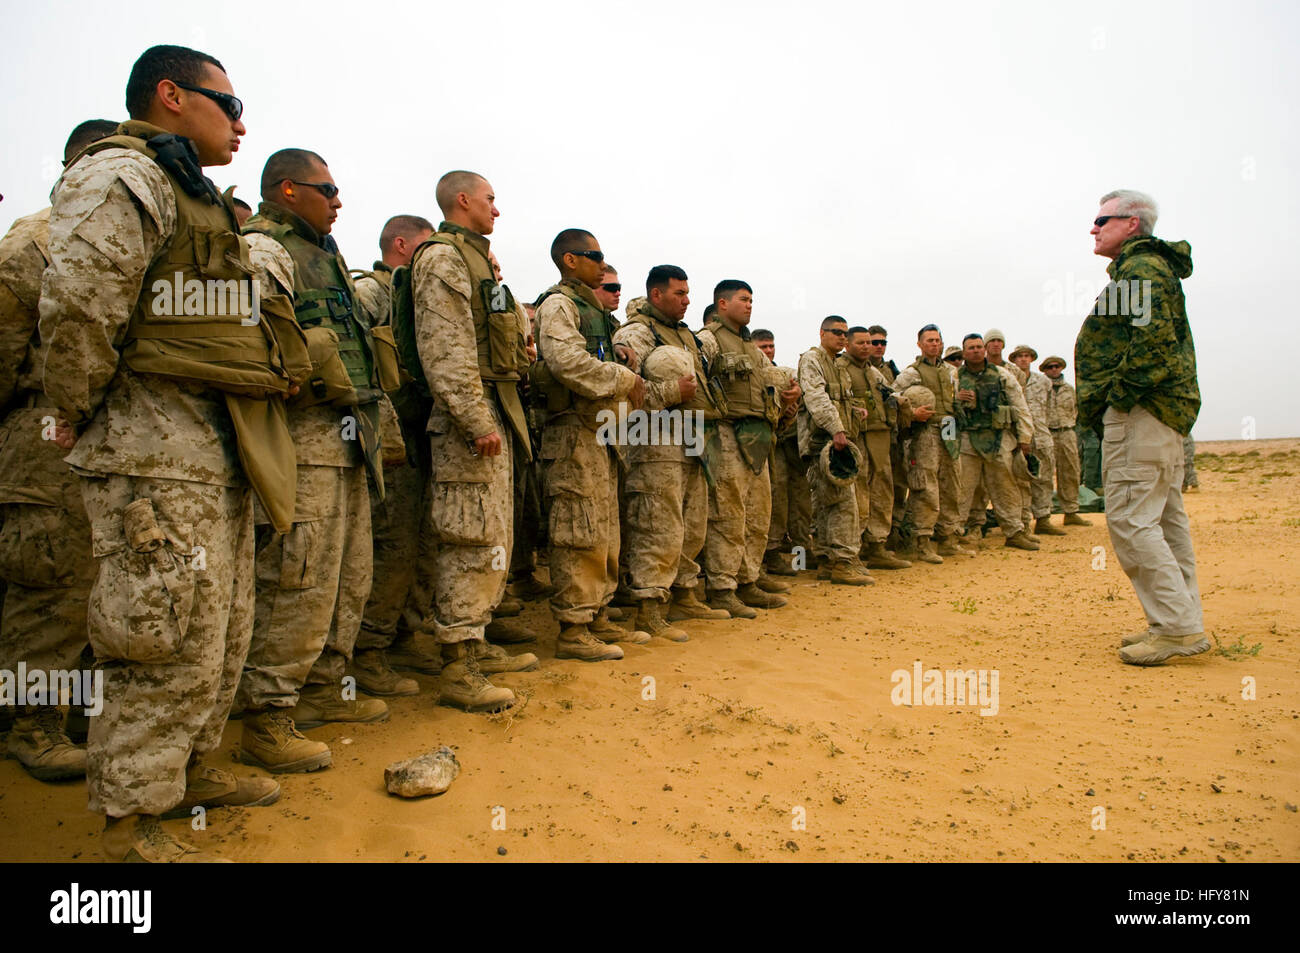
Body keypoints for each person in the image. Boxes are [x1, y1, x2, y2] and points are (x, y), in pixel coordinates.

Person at [42, 45, 289, 861]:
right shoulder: (125, 174)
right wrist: (76, 407)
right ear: (171, 95)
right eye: (230, 100)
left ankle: (186, 770)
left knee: (216, 628)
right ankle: (131, 820)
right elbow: (79, 303)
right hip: (152, 450)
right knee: (158, 633)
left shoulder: (193, 192)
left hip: (211, 450)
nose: (241, 120)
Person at [236, 149, 390, 774]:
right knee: (295, 581)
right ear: (288, 189)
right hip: (301, 445)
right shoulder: (264, 248)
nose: (338, 201)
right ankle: (266, 718)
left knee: (346, 576)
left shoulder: (323, 255)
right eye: (327, 190)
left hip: (346, 441)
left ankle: (326, 689)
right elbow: (252, 340)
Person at [0, 118, 116, 783]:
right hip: (43, 444)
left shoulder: (102, 241)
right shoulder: (32, 244)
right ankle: (31, 726)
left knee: (91, 586)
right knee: (47, 590)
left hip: (95, 442)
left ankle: (73, 713)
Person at [1075, 188, 1205, 665]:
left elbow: (1151, 344)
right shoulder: (1148, 268)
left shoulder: (1140, 269)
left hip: (1142, 414)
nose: (1094, 228)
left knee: (1131, 519)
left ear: (1132, 223)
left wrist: (1118, 397)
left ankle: (1176, 628)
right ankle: (1177, 619)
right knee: (1165, 523)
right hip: (1161, 413)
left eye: (1102, 219)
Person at [534, 229, 648, 658]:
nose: (603, 264)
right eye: (594, 255)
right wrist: (623, 378)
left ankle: (597, 613)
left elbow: (593, 357)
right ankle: (573, 629)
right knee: (577, 530)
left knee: (604, 529)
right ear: (569, 260)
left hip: (601, 433)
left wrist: (619, 357)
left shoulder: (592, 309)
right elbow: (565, 362)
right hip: (571, 433)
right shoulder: (559, 304)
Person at [349, 214, 442, 696]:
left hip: (419, 434)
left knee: (424, 542)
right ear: (402, 245)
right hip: (390, 440)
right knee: (394, 544)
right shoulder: (373, 290)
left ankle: (406, 634)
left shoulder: (413, 293)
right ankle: (369, 651)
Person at [612, 265, 725, 639]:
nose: (687, 300)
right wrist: (672, 393)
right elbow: (628, 388)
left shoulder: (686, 336)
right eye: (679, 293)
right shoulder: (637, 333)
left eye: (688, 293)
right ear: (656, 295)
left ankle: (683, 593)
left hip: (692, 434)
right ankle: (648, 607)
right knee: (657, 523)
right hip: (655, 438)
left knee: (692, 522)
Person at [697, 281, 799, 615]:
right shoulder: (708, 340)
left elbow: (771, 380)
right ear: (722, 304)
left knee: (757, 514)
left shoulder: (751, 349)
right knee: (728, 516)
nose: (749, 305)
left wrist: (787, 397)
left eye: (752, 300)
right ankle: (722, 587)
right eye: (743, 299)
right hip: (725, 435)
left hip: (756, 438)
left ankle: (748, 580)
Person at [797, 316, 869, 585]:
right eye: (836, 332)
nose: (842, 337)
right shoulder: (812, 360)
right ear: (821, 333)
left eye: (844, 333)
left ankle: (827, 560)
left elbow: (838, 399)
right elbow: (816, 398)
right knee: (842, 504)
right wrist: (837, 429)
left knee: (828, 503)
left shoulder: (838, 365)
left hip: (833, 440)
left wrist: (854, 412)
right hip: (825, 443)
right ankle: (842, 562)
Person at [893, 324, 969, 562]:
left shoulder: (950, 371)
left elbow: (954, 397)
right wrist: (913, 413)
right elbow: (893, 396)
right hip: (925, 432)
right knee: (926, 486)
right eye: (929, 341)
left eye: (937, 340)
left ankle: (948, 538)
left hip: (949, 429)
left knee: (952, 484)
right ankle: (922, 541)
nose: (934, 344)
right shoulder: (911, 373)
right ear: (919, 344)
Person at [954, 335, 1037, 550]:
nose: (975, 351)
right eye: (970, 348)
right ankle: (954, 534)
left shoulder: (1002, 375)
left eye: (979, 347)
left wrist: (1024, 438)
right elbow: (946, 408)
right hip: (967, 440)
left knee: (1005, 487)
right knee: (962, 489)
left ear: (984, 350)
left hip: (998, 439)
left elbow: (1020, 406)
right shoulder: (953, 377)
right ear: (964, 353)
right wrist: (958, 401)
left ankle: (1014, 532)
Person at [840, 327, 909, 569]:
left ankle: (877, 545)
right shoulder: (841, 369)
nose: (867, 347)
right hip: (856, 438)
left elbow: (890, 393)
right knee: (857, 496)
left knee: (882, 491)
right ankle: (853, 550)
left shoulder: (873, 371)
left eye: (869, 342)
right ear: (847, 344)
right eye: (861, 342)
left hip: (880, 436)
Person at [755, 329, 810, 576]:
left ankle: (802, 558)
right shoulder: (756, 377)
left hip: (792, 447)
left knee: (800, 502)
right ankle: (772, 555)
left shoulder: (785, 376)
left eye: (771, 346)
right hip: (769, 446)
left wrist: (792, 404)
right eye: (763, 347)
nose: (768, 351)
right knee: (775, 501)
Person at [1009, 344, 1065, 536]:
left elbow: (1049, 408)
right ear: (1014, 359)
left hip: (1041, 435)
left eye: (1027, 356)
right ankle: (1020, 522)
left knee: (1044, 477)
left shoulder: (1043, 382)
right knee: (1018, 480)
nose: (1023, 359)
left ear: (1032, 359)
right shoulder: (1010, 379)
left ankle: (1043, 519)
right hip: (1018, 435)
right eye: (1019, 356)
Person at [864, 325, 910, 552]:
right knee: (869, 490)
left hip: (891, 437)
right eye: (874, 342)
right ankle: (869, 542)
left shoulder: (892, 371)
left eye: (883, 343)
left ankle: (893, 534)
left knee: (896, 487)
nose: (879, 346)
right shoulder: (856, 368)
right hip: (868, 437)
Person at [1039, 355, 1089, 526]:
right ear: (1044, 370)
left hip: (1067, 431)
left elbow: (1077, 409)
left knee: (1070, 471)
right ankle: (1044, 516)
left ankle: (1071, 511)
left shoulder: (1069, 389)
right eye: (1050, 367)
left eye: (1057, 366)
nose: (1054, 369)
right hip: (1047, 432)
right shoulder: (1040, 388)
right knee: (1044, 474)